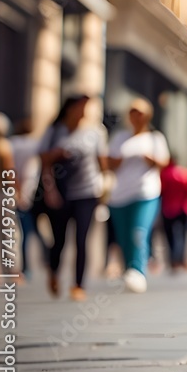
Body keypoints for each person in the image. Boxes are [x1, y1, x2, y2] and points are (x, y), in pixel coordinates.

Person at [39, 94, 108, 301]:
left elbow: (102, 164)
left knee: (81, 239)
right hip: (60, 193)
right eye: (81, 106)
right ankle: (53, 271)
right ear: (69, 108)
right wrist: (50, 190)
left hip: (87, 193)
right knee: (58, 240)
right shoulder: (54, 131)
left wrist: (104, 187)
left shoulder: (95, 132)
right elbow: (44, 162)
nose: (84, 111)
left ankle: (79, 285)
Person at [106, 98, 169, 293]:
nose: (136, 116)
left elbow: (163, 163)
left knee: (138, 232)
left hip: (145, 193)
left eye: (140, 112)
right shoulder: (120, 138)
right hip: (119, 195)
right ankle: (129, 270)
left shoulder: (155, 138)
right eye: (133, 111)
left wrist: (147, 157)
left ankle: (138, 271)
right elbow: (109, 164)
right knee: (124, 236)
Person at [9, 119, 43, 280]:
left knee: (24, 231)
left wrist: (17, 189)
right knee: (31, 230)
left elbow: (11, 169)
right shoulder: (35, 144)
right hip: (32, 191)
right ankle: (44, 260)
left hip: (16, 192)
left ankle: (27, 266)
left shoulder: (12, 144)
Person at [0, 113, 18, 283]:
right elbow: (9, 172)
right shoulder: (3, 146)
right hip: (3, 193)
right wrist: (16, 190)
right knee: (9, 234)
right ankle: (10, 270)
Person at [159, 156, 187, 273]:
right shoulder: (185, 173)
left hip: (168, 209)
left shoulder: (164, 174)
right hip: (184, 208)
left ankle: (173, 260)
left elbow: (161, 191)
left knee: (170, 236)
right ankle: (182, 259)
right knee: (183, 236)